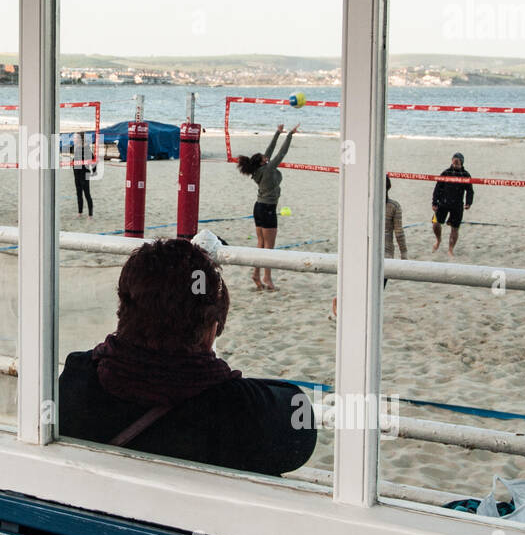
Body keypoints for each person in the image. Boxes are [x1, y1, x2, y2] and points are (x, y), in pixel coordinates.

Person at [58, 238, 316, 477]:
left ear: (123, 310)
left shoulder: (78, 377)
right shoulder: (238, 409)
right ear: (212, 330)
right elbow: (299, 418)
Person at [331, 174, 406, 319]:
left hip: (364, 251)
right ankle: (356, 312)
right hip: (384, 254)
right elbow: (399, 233)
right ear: (388, 187)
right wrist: (404, 253)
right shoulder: (393, 206)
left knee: (362, 286)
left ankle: (344, 304)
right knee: (376, 291)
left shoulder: (363, 204)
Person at [236, 122, 297, 291]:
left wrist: (278, 132)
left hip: (258, 208)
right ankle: (267, 279)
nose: (267, 157)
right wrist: (290, 135)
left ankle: (256, 274)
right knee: (269, 247)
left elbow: (269, 151)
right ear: (263, 162)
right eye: (265, 158)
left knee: (261, 244)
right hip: (268, 209)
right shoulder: (269, 169)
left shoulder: (258, 169)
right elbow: (281, 153)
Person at [430, 151, 473, 257]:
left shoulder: (466, 175)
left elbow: (470, 191)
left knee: (455, 228)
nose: (455, 163)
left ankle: (450, 249)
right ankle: (438, 240)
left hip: (457, 205)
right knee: (435, 223)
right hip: (443, 203)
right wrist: (434, 202)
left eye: (457, 162)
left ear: (461, 163)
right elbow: (437, 188)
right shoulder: (446, 172)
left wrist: (468, 203)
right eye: (453, 161)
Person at [71, 130, 94, 218]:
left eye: (75, 137)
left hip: (84, 175)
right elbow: (75, 160)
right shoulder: (75, 147)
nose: (73, 139)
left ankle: (90, 214)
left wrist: (92, 170)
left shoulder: (87, 148)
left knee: (87, 194)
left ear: (80, 139)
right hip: (76, 174)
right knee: (78, 194)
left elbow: (92, 160)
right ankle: (80, 212)